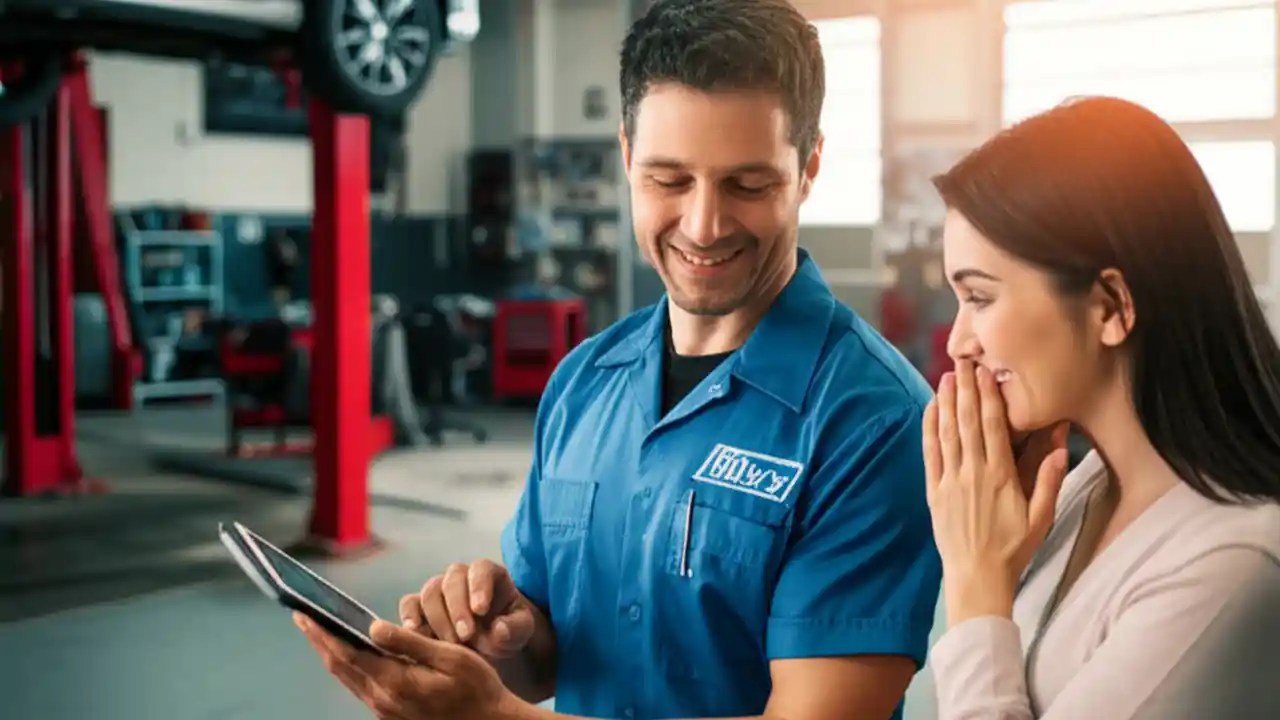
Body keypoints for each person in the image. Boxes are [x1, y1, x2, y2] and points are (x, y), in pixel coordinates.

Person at [293, 1, 942, 719]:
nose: (703, 225)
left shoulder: (873, 423)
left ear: (809, 165)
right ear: (627, 156)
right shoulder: (583, 384)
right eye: (669, 180)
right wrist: (507, 634)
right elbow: (543, 668)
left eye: (748, 185)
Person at [921, 95, 1280, 719]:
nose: (958, 343)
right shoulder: (1087, 487)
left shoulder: (1232, 565)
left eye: (979, 296)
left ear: (1110, 306)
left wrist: (979, 583)